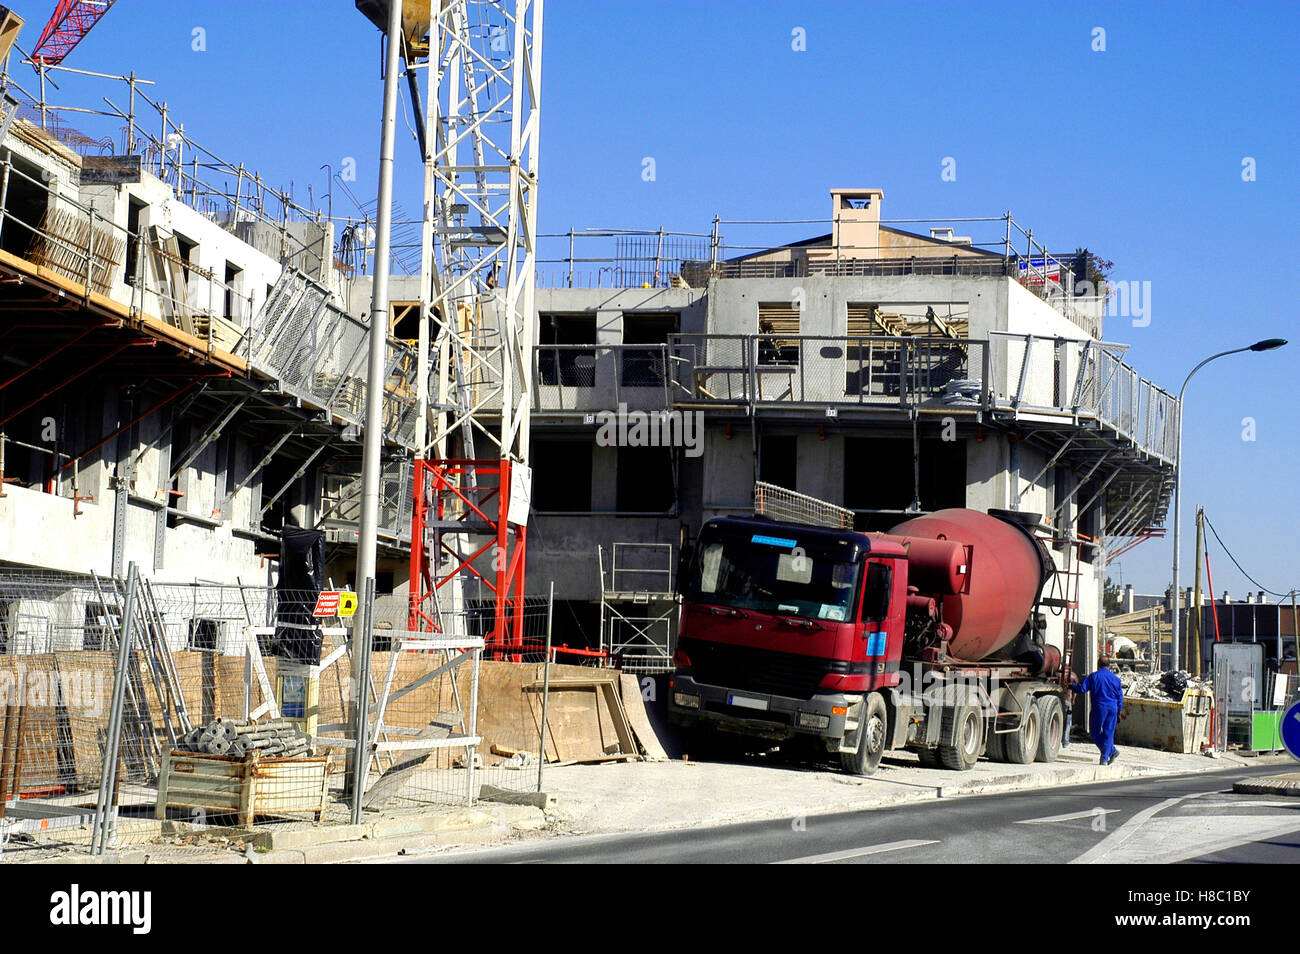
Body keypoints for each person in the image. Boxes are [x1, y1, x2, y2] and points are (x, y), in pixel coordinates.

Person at [1071, 655, 1124, 765]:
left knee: (1095, 732)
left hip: (1099, 708)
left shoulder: (1094, 677)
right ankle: (1109, 753)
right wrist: (1119, 711)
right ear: (1109, 666)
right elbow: (1120, 696)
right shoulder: (1116, 679)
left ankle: (1107, 755)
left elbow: (1082, 688)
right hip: (1113, 709)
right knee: (1108, 734)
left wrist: (1071, 686)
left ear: (1098, 665)